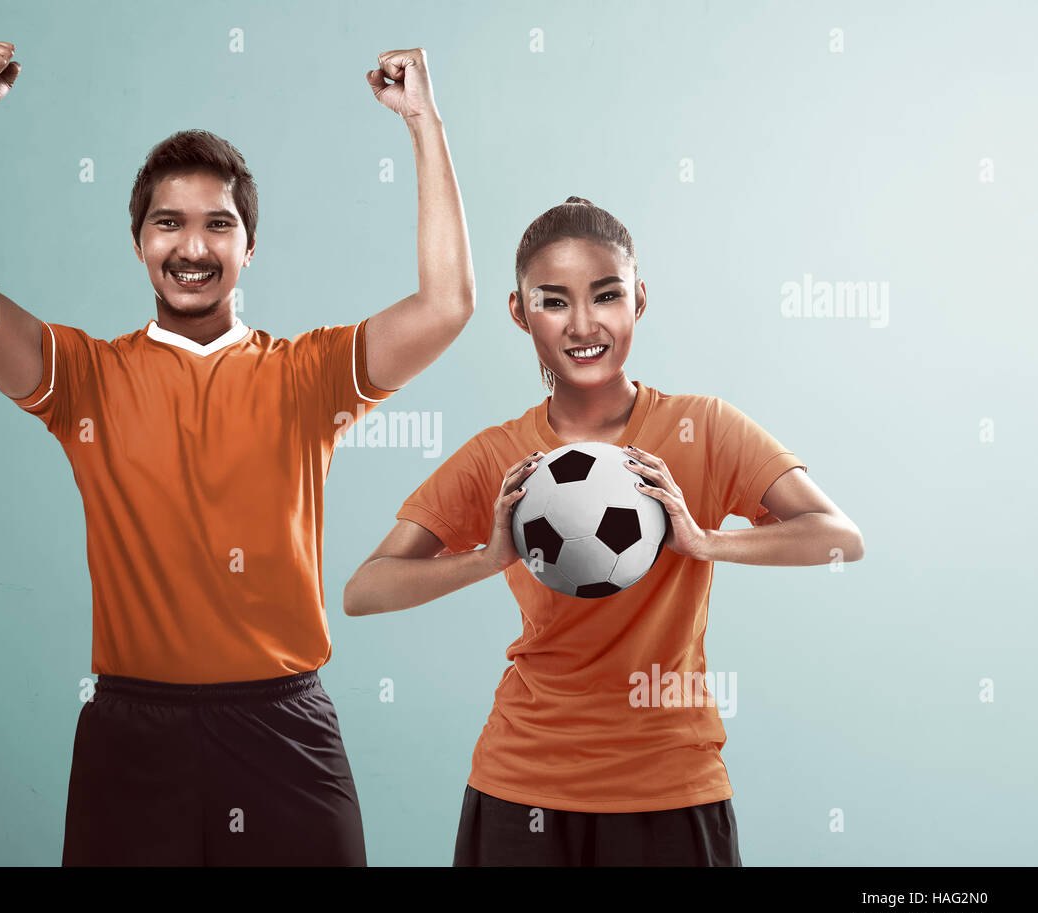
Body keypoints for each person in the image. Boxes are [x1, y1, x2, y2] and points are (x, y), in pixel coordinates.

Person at [0, 38, 474, 865]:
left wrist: (423, 123)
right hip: (131, 735)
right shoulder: (87, 380)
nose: (193, 247)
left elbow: (446, 305)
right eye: (168, 224)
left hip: (284, 730)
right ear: (138, 242)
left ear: (248, 247)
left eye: (219, 225)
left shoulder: (308, 375)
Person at [343, 197, 865, 866]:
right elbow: (364, 590)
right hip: (521, 785)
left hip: (671, 787)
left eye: (607, 295)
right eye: (553, 301)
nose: (584, 324)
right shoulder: (498, 455)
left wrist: (705, 542)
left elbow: (838, 536)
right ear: (518, 311)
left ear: (638, 300)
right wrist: (486, 557)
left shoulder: (702, 427)